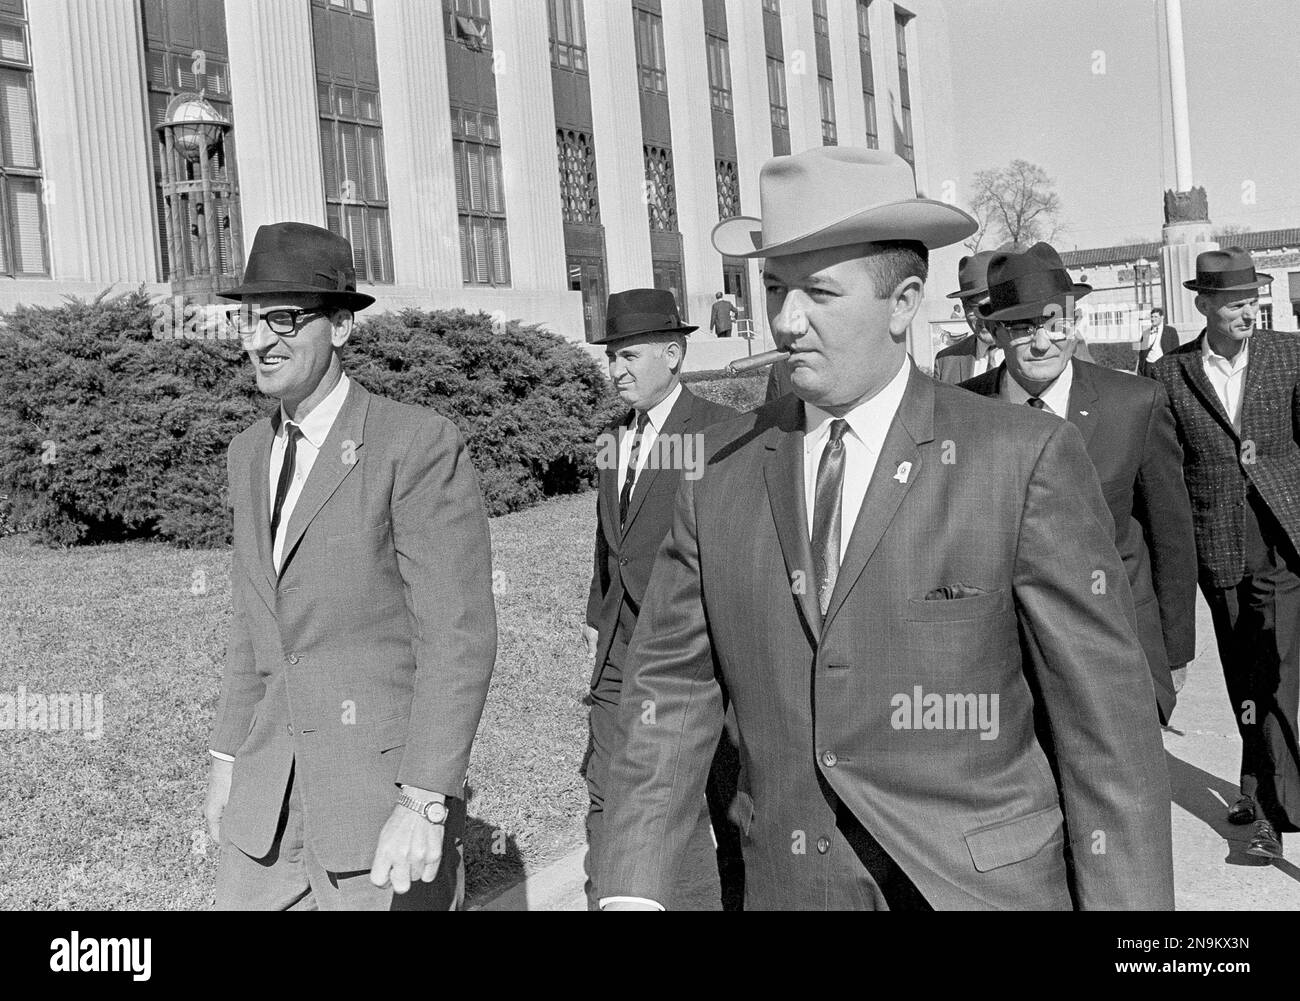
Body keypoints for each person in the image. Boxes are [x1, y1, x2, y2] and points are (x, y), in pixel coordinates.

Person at [597, 147, 1174, 910]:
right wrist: (634, 890)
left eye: (818, 293)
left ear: (903, 303)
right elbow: (665, 693)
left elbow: (1107, 731)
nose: (785, 320)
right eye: (775, 289)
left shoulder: (1021, 460)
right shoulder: (718, 474)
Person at [204, 222, 497, 909]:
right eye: (250, 318)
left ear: (340, 327)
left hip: (379, 816)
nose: (258, 339)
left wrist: (425, 800)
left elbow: (457, 638)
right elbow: (252, 625)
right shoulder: (247, 453)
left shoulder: (414, 445)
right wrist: (225, 763)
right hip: (266, 815)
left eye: (283, 318)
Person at [959, 242, 1197, 725]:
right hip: (1003, 667)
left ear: (1076, 321)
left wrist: (1174, 652)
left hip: (1118, 652)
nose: (1042, 342)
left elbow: (1170, 534)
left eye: (1054, 322)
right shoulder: (961, 414)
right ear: (993, 332)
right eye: (1022, 328)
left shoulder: (1136, 404)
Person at [582, 288, 741, 910]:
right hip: (622, 657)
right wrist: (598, 625)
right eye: (611, 357)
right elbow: (609, 545)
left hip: (704, 658)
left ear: (674, 354)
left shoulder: (722, 433)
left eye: (632, 356)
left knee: (725, 809)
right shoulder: (610, 440)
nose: (617, 371)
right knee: (612, 796)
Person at [1152, 247, 1300, 860]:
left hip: (1282, 539)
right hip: (1219, 544)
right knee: (1245, 677)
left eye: (1253, 301)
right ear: (1204, 304)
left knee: (1279, 669)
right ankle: (1252, 787)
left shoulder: (1290, 354)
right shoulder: (1168, 375)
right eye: (1236, 303)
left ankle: (1274, 813)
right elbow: (1166, 469)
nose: (1249, 312)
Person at [933, 250, 1002, 384]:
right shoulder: (945, 362)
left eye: (988, 307)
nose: (983, 320)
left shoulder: (1033, 354)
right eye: (972, 309)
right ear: (963, 308)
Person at [1137, 306, 1181, 378]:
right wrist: (1140, 369)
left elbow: (1176, 350)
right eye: (1152, 317)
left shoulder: (1171, 331)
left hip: (1163, 365)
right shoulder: (1146, 333)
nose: (1153, 319)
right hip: (1149, 365)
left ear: (1162, 317)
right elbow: (1142, 352)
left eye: (1155, 317)